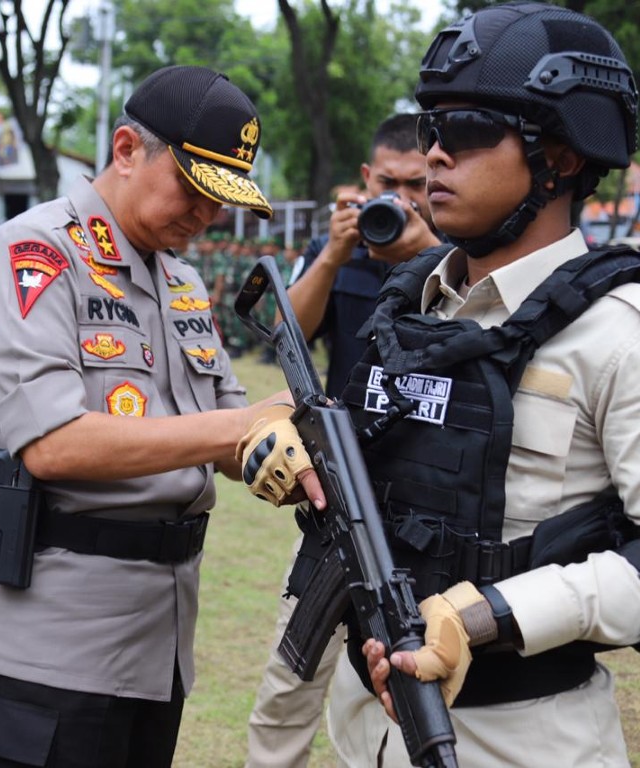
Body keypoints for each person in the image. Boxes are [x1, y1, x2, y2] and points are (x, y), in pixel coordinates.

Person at [240, 3, 640, 766]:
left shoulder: (619, 331)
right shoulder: (409, 305)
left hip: (521, 740)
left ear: (556, 153)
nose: (434, 158)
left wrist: (492, 613)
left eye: (464, 133)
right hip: (365, 736)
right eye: (429, 131)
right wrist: (275, 434)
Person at [0, 64, 292, 768]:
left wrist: (289, 435)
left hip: (155, 633)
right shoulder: (34, 255)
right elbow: (54, 446)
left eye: (222, 203)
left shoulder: (177, 277)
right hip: (44, 640)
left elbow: (221, 420)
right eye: (193, 189)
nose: (206, 216)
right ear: (126, 150)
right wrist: (243, 424)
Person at [246, 113, 441, 768]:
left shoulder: (456, 257)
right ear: (366, 178)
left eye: (419, 183)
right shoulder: (341, 248)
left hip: (427, 509)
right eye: (389, 181)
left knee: (406, 696)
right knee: (287, 688)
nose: (403, 198)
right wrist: (331, 254)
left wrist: (423, 256)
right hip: (335, 503)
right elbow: (282, 336)